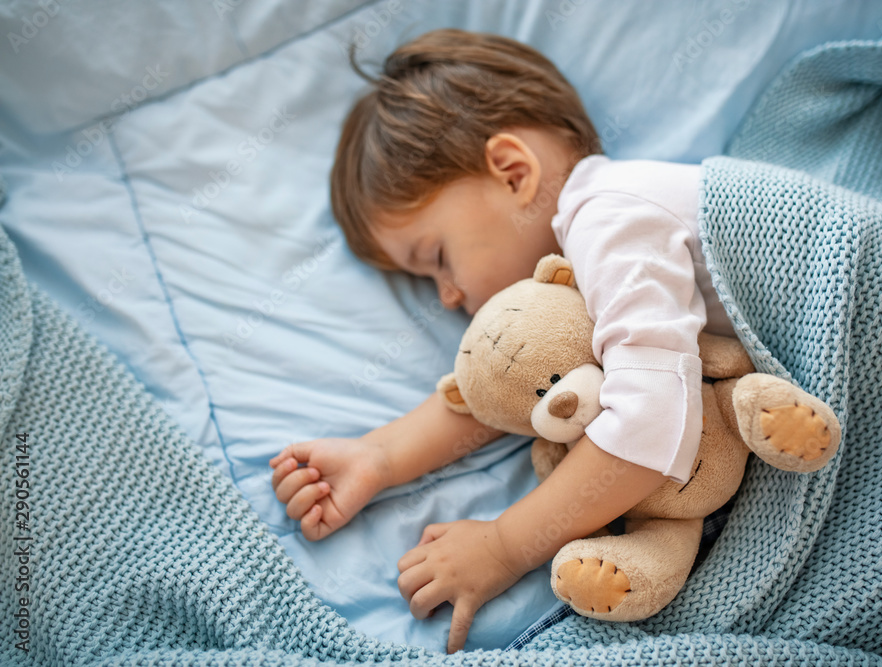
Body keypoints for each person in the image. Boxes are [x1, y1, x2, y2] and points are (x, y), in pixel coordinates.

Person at [270, 27, 736, 654]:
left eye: (436, 258)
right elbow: (520, 379)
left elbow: (652, 420)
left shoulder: (611, 219)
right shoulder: (576, 275)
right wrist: (378, 457)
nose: (447, 297)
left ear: (514, 173)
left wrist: (504, 545)